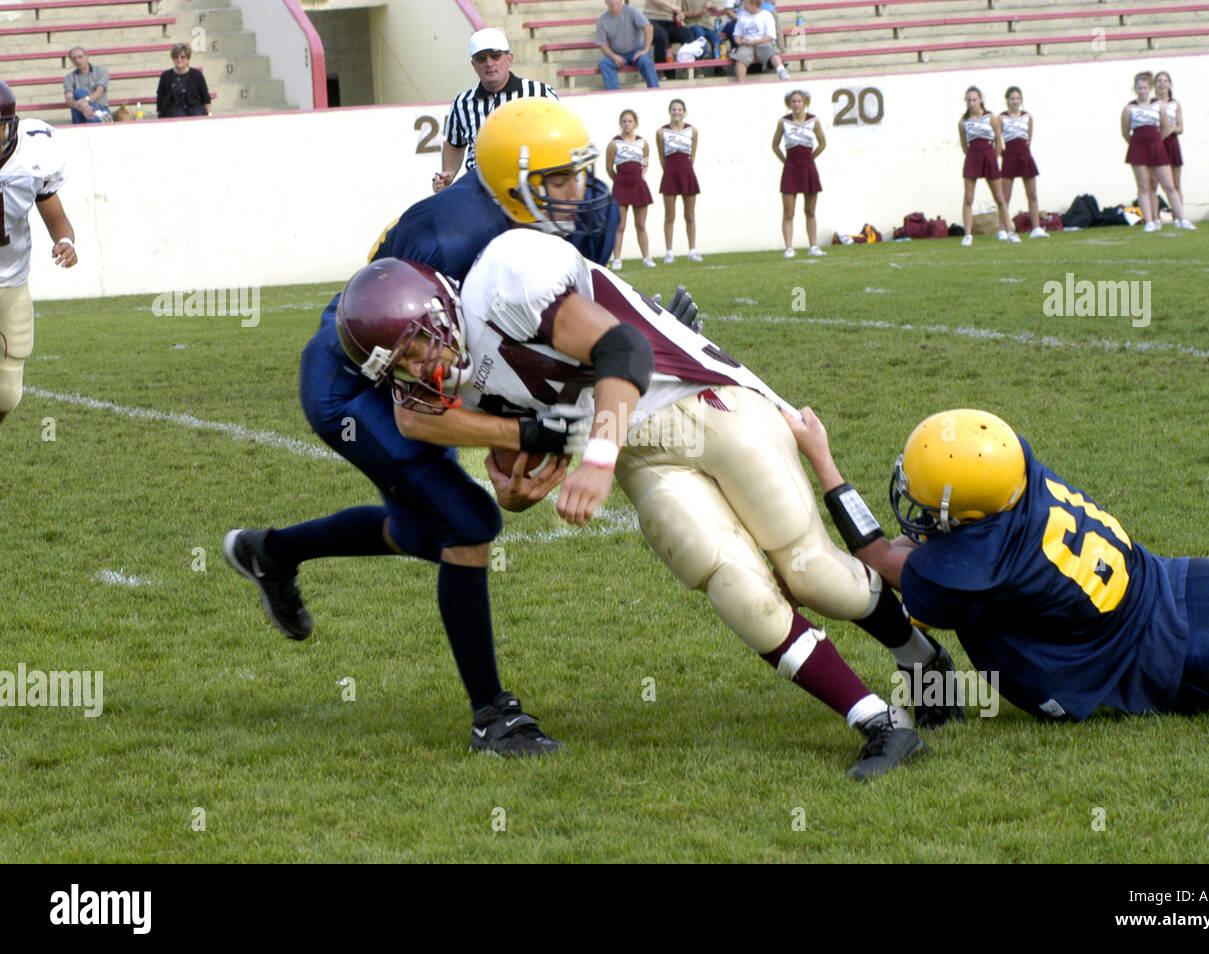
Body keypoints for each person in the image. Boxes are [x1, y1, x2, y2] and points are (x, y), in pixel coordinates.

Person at [335, 233, 971, 779]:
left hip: (704, 403)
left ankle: (920, 659)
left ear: (437, 308)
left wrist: (599, 457)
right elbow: (439, 429)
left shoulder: (502, 286)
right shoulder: (450, 394)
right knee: (733, 583)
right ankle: (880, 724)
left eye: (419, 345)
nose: (424, 368)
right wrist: (519, 491)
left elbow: (624, 353)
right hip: (643, 459)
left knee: (810, 570)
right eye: (404, 365)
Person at [222, 99, 620, 758]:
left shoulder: (545, 211)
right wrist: (524, 437)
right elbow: (417, 408)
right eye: (558, 180)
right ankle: (493, 718)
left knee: (417, 529)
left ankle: (271, 552)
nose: (579, 193)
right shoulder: (448, 239)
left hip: (441, 362)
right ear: (510, 182)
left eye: (577, 173)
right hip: (359, 383)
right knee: (467, 523)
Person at [787, 406, 1209, 720]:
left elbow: (878, 556)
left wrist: (822, 460)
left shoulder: (982, 566)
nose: (917, 511)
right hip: (1202, 583)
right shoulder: (1015, 471)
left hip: (1197, 654)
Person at [0, 81, 77, 427]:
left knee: (6, 393)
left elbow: (58, 219)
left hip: (12, 280)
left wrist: (66, 242)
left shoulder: (33, 156)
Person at [434, 28, 557, 193]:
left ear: (509, 58)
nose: (489, 63)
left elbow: (559, 133)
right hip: (480, 191)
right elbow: (455, 143)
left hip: (530, 187)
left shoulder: (540, 93)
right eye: (481, 58)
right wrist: (449, 172)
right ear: (473, 64)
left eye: (495, 55)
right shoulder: (462, 103)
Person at [1122, 71, 1194, 231]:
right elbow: (1125, 132)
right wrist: (1137, 144)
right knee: (1144, 186)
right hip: (1138, 148)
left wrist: (1155, 141)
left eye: (1145, 88)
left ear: (1150, 88)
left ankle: (1182, 219)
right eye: (1139, 88)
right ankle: (1149, 221)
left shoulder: (1158, 105)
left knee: (1169, 185)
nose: (1142, 91)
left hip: (1157, 147)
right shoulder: (1129, 108)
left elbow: (1165, 126)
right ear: (1135, 89)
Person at [958, 86, 1016, 246]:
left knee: (999, 197)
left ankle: (1009, 231)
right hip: (973, 157)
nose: (972, 103)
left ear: (980, 100)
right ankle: (968, 235)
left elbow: (998, 140)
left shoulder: (991, 117)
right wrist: (972, 157)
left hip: (989, 156)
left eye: (974, 100)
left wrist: (993, 157)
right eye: (969, 100)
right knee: (968, 198)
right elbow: (964, 146)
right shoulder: (963, 122)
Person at [772, 89, 825, 257]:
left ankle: (813, 246)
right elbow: (775, 145)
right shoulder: (783, 122)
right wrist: (785, 161)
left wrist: (811, 158)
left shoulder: (814, 121)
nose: (796, 104)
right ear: (789, 104)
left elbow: (822, 143)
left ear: (805, 103)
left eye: (799, 101)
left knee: (810, 211)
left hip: (808, 168)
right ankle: (789, 248)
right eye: (793, 101)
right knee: (788, 212)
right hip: (791, 168)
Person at [606, 109, 655, 270]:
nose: (627, 124)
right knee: (620, 225)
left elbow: (645, 162)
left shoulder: (643, 142)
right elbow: (609, 167)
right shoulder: (614, 143)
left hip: (639, 186)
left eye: (630, 121)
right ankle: (617, 259)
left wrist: (638, 176)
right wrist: (619, 180)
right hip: (621, 186)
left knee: (641, 224)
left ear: (635, 123)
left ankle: (647, 257)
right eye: (624, 121)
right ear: (621, 123)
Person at [657, 99, 702, 263]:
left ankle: (692, 250)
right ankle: (669, 252)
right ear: (670, 112)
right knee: (670, 215)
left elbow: (693, 154)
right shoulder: (662, 132)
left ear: (684, 112)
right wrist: (669, 170)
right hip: (670, 174)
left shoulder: (692, 130)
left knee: (690, 215)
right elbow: (661, 156)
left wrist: (686, 168)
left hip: (687, 173)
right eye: (674, 110)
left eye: (680, 110)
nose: (677, 112)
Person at [998, 87, 1046, 239]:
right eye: (1012, 98)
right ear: (1007, 100)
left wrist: (1023, 152)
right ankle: (1003, 230)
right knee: (1005, 197)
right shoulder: (1001, 118)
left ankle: (1036, 228)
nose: (1015, 101)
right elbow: (998, 140)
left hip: (1025, 156)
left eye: (1018, 98)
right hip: (1009, 157)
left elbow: (1028, 138)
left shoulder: (1027, 116)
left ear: (1021, 100)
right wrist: (1004, 155)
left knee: (1032, 194)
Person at [596, 0, 661, 91]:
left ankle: (655, 90)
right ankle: (614, 94)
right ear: (605, 2)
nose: (612, 2)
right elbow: (602, 45)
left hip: (637, 50)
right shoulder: (602, 20)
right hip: (618, 54)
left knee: (645, 61)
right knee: (604, 63)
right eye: (609, 0)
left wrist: (646, 49)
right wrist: (614, 56)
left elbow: (648, 27)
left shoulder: (631, 11)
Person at [731, 0, 790, 82]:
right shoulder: (742, 16)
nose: (744, 5)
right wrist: (739, 41)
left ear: (754, 4)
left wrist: (755, 42)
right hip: (746, 43)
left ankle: (781, 71)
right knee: (741, 57)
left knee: (772, 52)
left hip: (762, 42)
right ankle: (741, 81)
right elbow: (737, 34)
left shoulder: (766, 15)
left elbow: (771, 36)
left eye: (746, 3)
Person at [1153, 71, 1184, 207]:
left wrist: (1170, 129)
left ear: (1170, 84)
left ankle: (1180, 216)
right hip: (1157, 143)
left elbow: (1180, 128)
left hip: (1171, 143)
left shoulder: (1175, 103)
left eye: (1165, 81)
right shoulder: (1151, 104)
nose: (1162, 84)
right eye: (1159, 81)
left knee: (1175, 184)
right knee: (1154, 182)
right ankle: (1154, 218)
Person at [156, 43, 211, 118]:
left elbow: (205, 96)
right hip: (173, 108)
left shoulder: (197, 75)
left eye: (182, 57)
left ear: (188, 59)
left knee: (197, 114)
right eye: (176, 57)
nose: (179, 59)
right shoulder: (166, 76)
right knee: (178, 115)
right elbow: (160, 97)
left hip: (194, 107)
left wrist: (210, 114)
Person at [63, 47, 110, 124]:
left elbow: (99, 92)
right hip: (80, 112)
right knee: (78, 92)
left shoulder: (101, 72)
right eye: (74, 58)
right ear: (71, 61)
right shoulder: (69, 77)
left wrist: (84, 101)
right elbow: (69, 98)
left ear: (87, 57)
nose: (78, 60)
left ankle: (96, 113)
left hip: (101, 107)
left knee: (79, 92)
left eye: (80, 57)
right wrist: (81, 107)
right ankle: (98, 114)